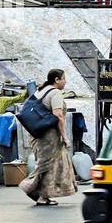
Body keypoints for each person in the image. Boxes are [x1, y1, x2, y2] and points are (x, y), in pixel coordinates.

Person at [19, 68, 77, 206]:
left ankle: (43, 195)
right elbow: (58, 115)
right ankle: (32, 188)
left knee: (48, 165)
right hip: (49, 136)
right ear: (57, 80)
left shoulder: (41, 91)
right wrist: (65, 136)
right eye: (63, 78)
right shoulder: (55, 93)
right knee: (47, 165)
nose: (65, 81)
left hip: (38, 133)